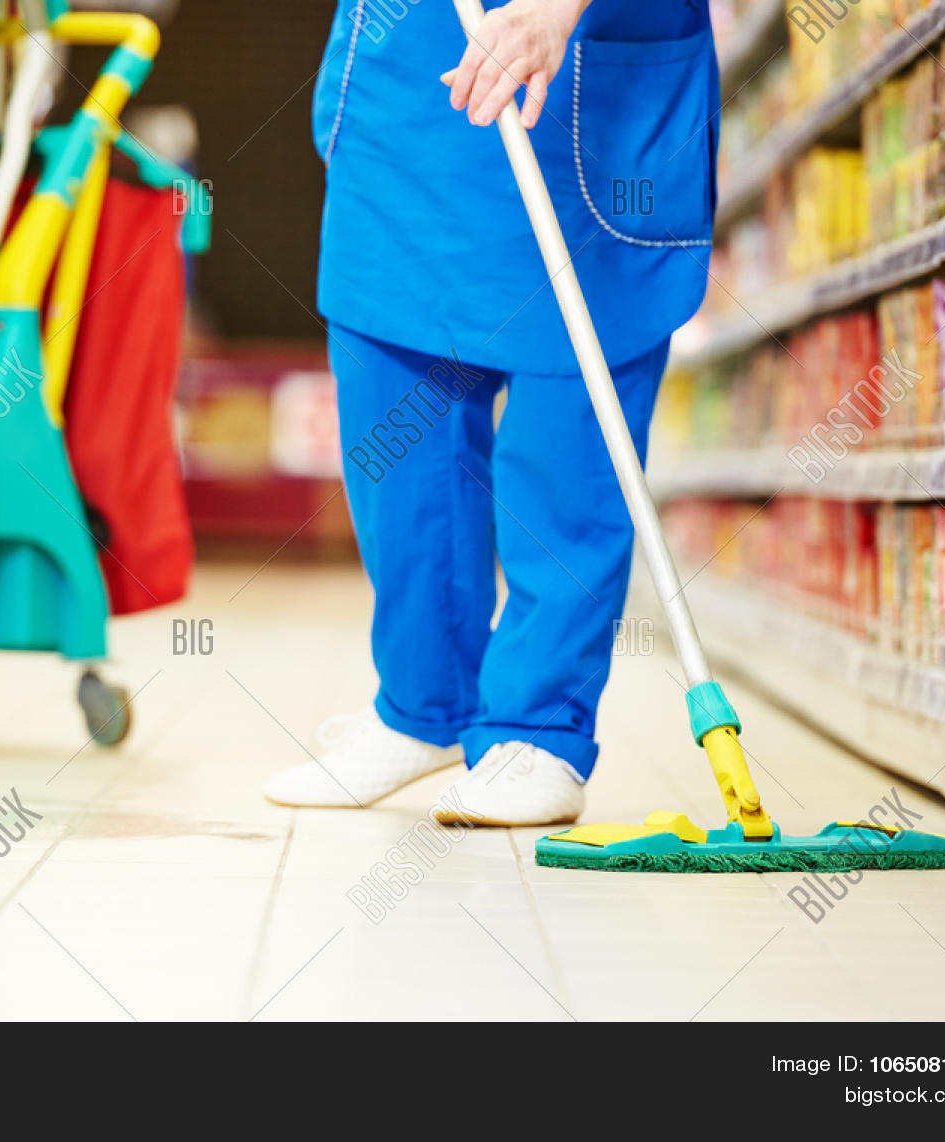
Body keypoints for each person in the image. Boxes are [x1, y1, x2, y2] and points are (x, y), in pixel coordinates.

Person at [264, 0, 719, 825]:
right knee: (396, 416)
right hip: (413, 86)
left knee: (567, 440)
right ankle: (422, 706)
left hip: (587, 89)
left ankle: (537, 728)